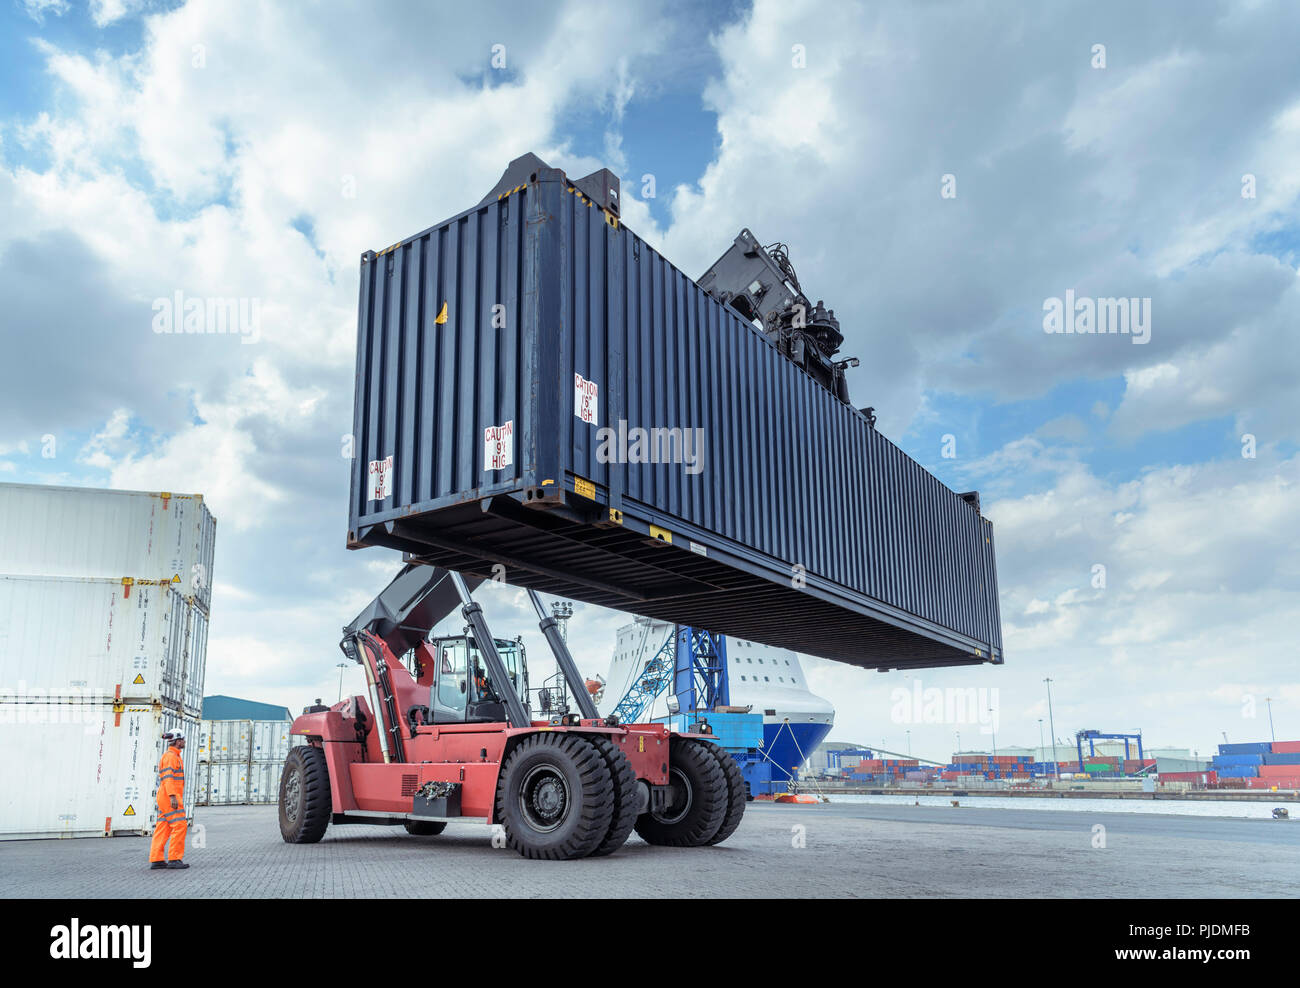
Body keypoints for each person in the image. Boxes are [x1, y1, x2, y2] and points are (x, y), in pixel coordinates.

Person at [149, 729, 190, 870]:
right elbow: (168, 778)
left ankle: (157, 859)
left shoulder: (173, 756)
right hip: (170, 796)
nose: (184, 741)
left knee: (163, 827)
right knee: (180, 825)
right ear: (178, 741)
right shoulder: (171, 757)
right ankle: (174, 859)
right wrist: (173, 797)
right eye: (183, 739)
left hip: (166, 796)